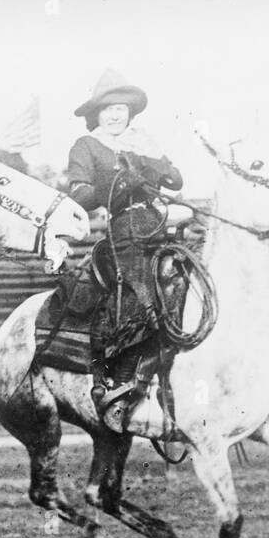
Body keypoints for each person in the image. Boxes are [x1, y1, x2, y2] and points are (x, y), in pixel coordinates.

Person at [64, 70, 185, 426]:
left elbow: (176, 180)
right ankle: (119, 381)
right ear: (96, 114)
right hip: (124, 229)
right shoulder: (86, 146)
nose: (115, 115)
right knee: (145, 298)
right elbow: (79, 194)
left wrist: (149, 160)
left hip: (162, 222)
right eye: (107, 109)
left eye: (121, 108)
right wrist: (116, 182)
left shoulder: (143, 141)